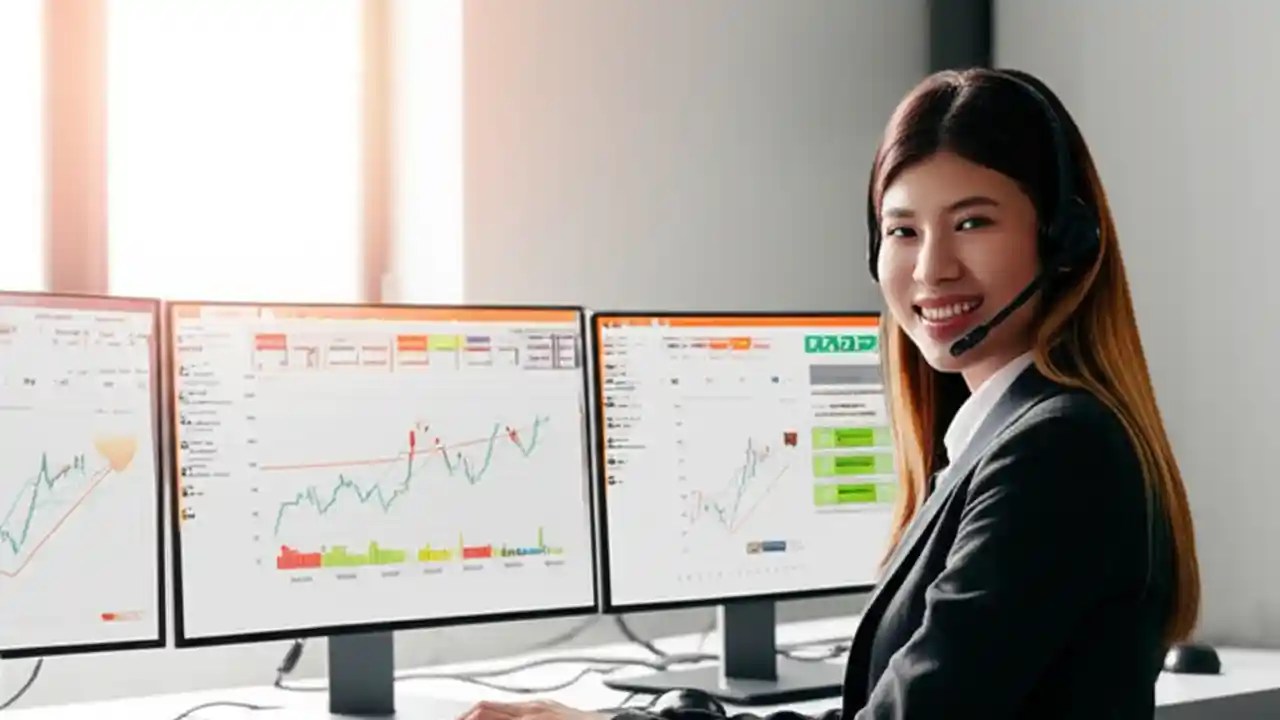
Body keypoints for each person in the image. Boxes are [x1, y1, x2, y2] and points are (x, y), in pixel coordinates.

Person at [456, 67, 1201, 720]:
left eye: (972, 222)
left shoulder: (1054, 451)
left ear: (1065, 242)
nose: (931, 267)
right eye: (902, 231)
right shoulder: (1005, 437)